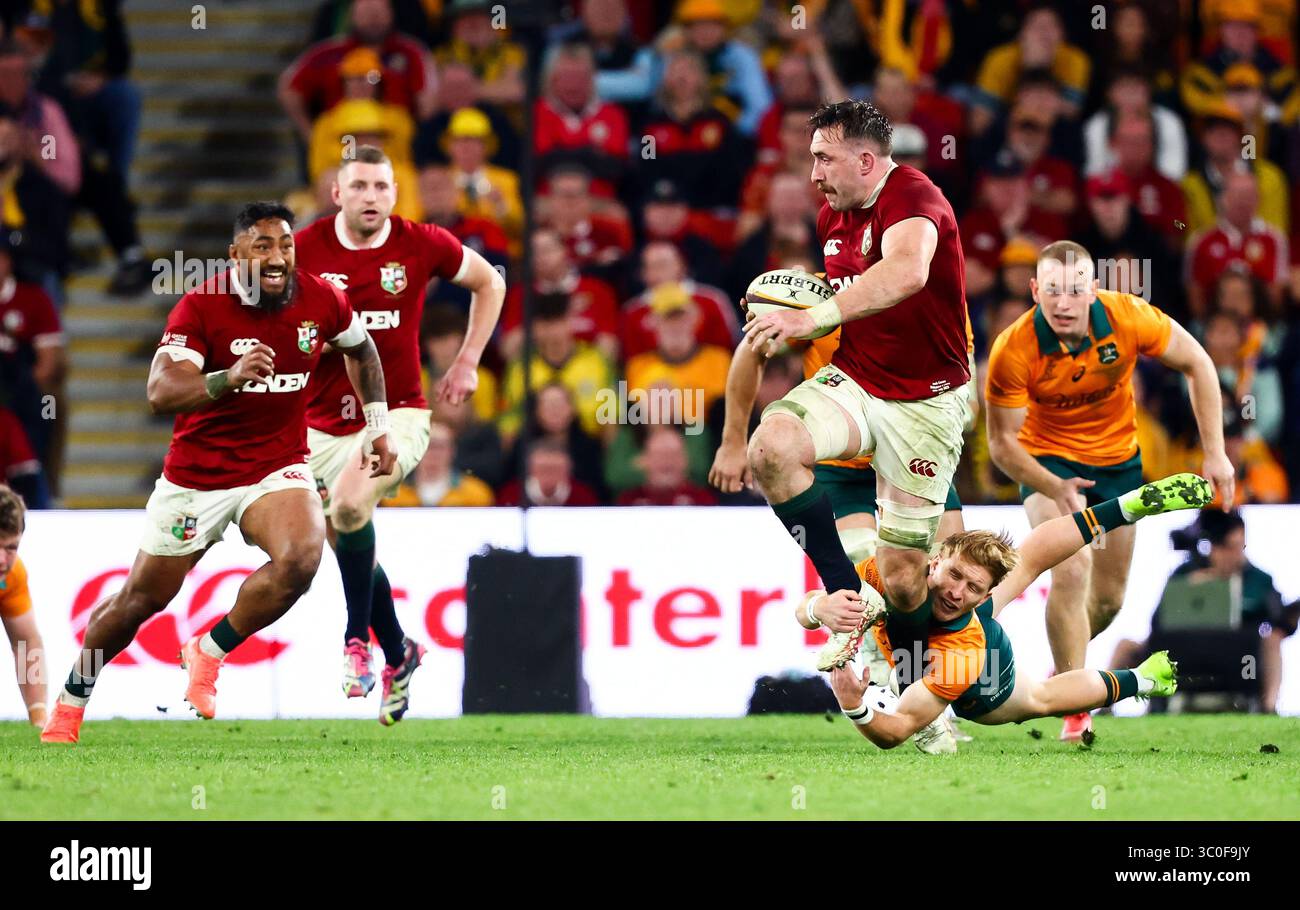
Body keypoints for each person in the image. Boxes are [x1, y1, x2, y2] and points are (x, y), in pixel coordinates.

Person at [42, 202, 396, 745]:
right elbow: (160, 393)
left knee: (303, 557)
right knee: (139, 602)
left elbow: (363, 350)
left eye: (285, 245)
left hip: (275, 465)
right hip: (198, 477)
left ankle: (209, 651)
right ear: (236, 256)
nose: (278, 258)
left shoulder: (321, 297)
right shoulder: (201, 306)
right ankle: (72, 698)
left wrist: (377, 427)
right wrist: (225, 378)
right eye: (263, 247)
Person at [984, 240, 1233, 741]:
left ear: (1093, 290)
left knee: (1108, 601)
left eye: (1075, 290)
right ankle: (1077, 710)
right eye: (1052, 290)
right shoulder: (1013, 348)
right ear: (1035, 290)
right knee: (1072, 569)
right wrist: (1055, 485)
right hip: (1047, 464)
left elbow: (1199, 363)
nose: (1063, 302)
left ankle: (1063, 676)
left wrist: (1216, 454)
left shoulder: (1128, 317)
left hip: (1118, 466)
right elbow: (1000, 445)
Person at [742, 100, 972, 630]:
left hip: (925, 401)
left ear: (866, 161)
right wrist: (781, 311)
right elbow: (850, 295)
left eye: (824, 159)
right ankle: (844, 590)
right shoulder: (831, 215)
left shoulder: (914, 195)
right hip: (857, 381)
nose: (814, 173)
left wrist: (814, 318)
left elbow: (907, 271)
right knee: (772, 447)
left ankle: (923, 686)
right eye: (812, 159)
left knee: (905, 579)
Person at [295, 146, 504, 724]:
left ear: (396, 193)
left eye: (382, 187)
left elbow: (491, 284)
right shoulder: (304, 249)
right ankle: (400, 652)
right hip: (315, 424)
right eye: (359, 186)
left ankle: (355, 643)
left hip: (399, 414)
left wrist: (466, 362)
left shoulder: (422, 243)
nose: (371, 198)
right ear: (337, 193)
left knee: (350, 507)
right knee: (344, 533)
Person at [804, 473, 1213, 750]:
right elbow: (804, 612)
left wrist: (854, 706)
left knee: (1040, 697)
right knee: (1029, 561)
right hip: (934, 649)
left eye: (973, 587)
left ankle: (1142, 679)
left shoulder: (964, 656)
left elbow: (895, 732)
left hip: (976, 668)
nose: (956, 592)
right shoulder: (892, 573)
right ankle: (1128, 506)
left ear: (984, 594)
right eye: (956, 576)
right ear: (936, 560)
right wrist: (819, 606)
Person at [1111, 509, 1296, 714]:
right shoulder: (1184, 574)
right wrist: (1194, 590)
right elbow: (1158, 622)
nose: (1233, 555)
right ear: (1213, 546)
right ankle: (1105, 707)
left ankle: (1269, 707)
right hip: (1183, 652)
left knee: (1271, 642)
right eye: (1226, 547)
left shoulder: (1259, 580)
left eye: (1238, 546)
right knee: (1125, 646)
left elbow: (1281, 623)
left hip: (1239, 658)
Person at [0, 485, 46, 727]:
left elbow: (26, 644)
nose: (1, 560)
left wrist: (38, 715)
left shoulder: (12, 575)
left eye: (10, 548)